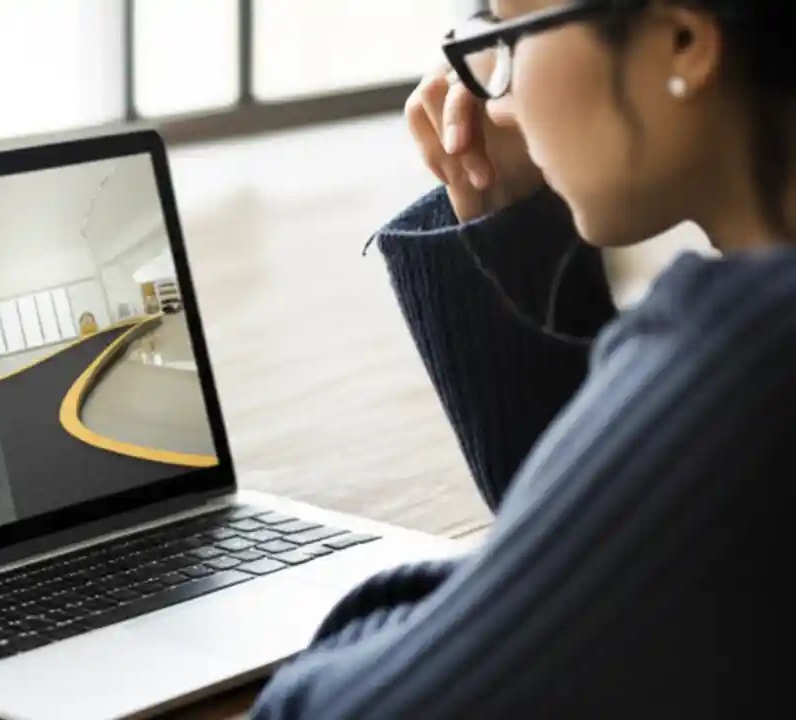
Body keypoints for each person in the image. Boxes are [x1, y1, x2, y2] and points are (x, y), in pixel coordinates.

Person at [250, 1, 793, 717]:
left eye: (509, 35)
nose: (492, 97)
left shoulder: (744, 361)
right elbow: (592, 597)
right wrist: (508, 224)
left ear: (684, 41)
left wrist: (434, 608)